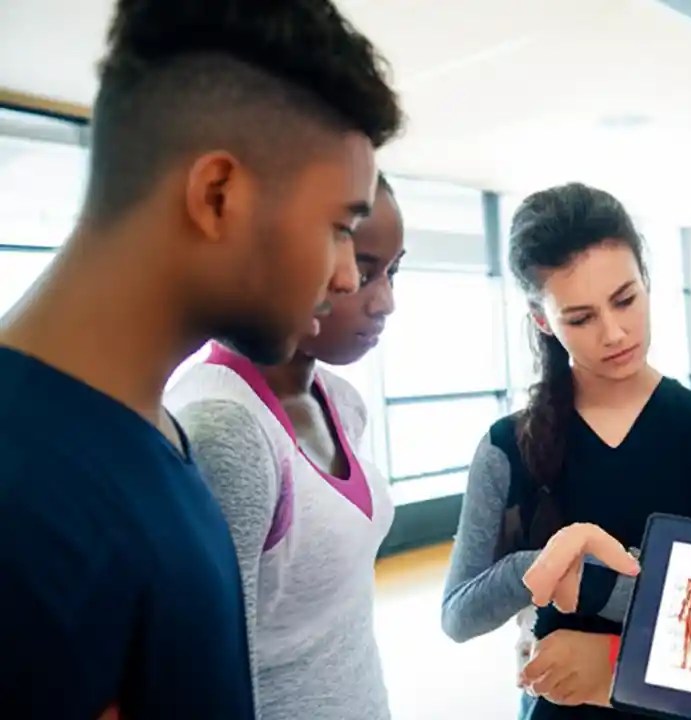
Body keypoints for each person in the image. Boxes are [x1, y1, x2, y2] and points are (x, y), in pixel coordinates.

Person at [0, 1, 400, 717]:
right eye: (339, 228)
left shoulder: (154, 438)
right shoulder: (26, 509)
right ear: (219, 195)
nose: (346, 277)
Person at [441, 182, 691, 719]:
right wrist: (542, 565)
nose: (615, 331)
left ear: (646, 280)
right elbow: (458, 616)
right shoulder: (508, 447)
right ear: (542, 320)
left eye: (625, 299)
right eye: (580, 318)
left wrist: (595, 586)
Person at [164, 174, 403, 720]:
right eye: (365, 271)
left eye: (394, 270)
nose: (384, 300)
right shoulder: (224, 430)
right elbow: (206, 682)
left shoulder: (341, 401)